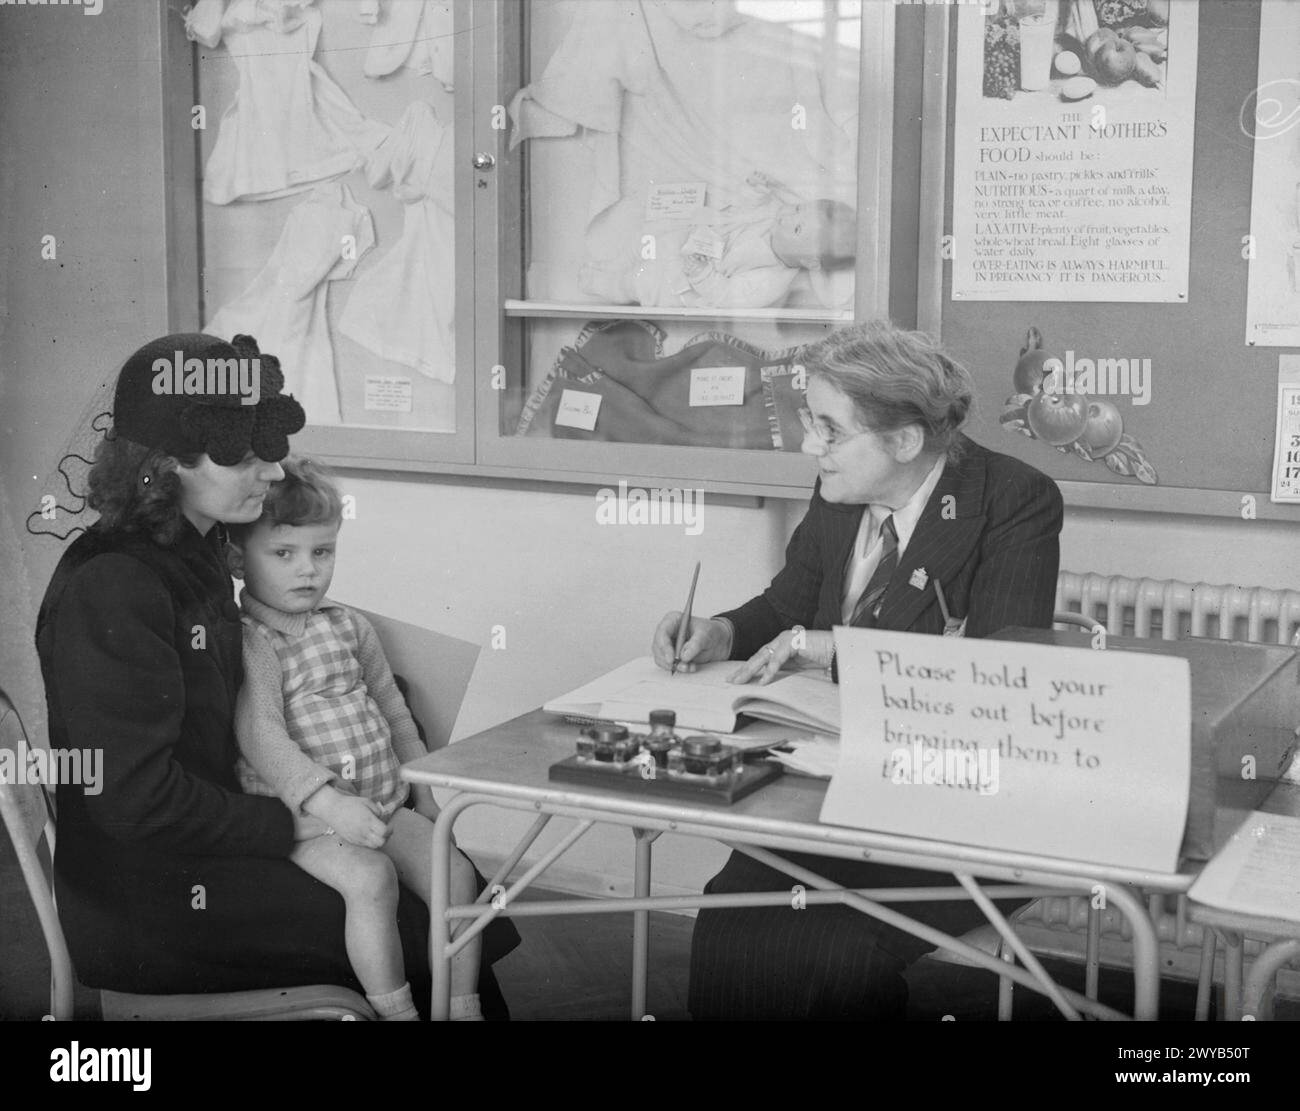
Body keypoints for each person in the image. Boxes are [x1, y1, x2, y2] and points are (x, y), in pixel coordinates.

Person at [35, 333, 516, 1015]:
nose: (272, 468)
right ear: (167, 461)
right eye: (247, 451)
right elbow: (134, 799)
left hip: (206, 843)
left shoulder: (192, 546)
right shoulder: (113, 582)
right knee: (406, 905)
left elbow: (248, 682)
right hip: (153, 897)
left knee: (447, 877)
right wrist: (296, 821)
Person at [651, 319, 1064, 1020]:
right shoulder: (840, 488)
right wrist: (722, 630)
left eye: (831, 430)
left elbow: (995, 679)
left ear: (904, 441)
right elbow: (788, 604)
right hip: (824, 787)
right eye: (813, 423)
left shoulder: (1014, 501)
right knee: (734, 914)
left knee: (827, 943)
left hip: (948, 805)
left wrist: (831, 648)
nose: (813, 447)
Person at [227, 456, 483, 1021]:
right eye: (284, 554)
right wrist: (330, 804)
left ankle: (462, 1007)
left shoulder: (349, 625)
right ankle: (397, 1013)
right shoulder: (252, 640)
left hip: (385, 802)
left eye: (322, 552)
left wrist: (426, 789)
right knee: (371, 880)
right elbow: (261, 736)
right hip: (308, 819)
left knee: (458, 872)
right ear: (238, 558)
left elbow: (393, 709)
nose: (307, 571)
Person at [628, 196, 857, 310]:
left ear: (809, 260)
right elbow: (740, 211)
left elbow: (727, 296)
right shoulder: (773, 220)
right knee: (637, 243)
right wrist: (753, 190)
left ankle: (611, 284)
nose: (786, 217)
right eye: (798, 209)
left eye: (797, 228)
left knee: (637, 284)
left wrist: (701, 275)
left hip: (683, 283)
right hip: (686, 241)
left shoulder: (769, 282)